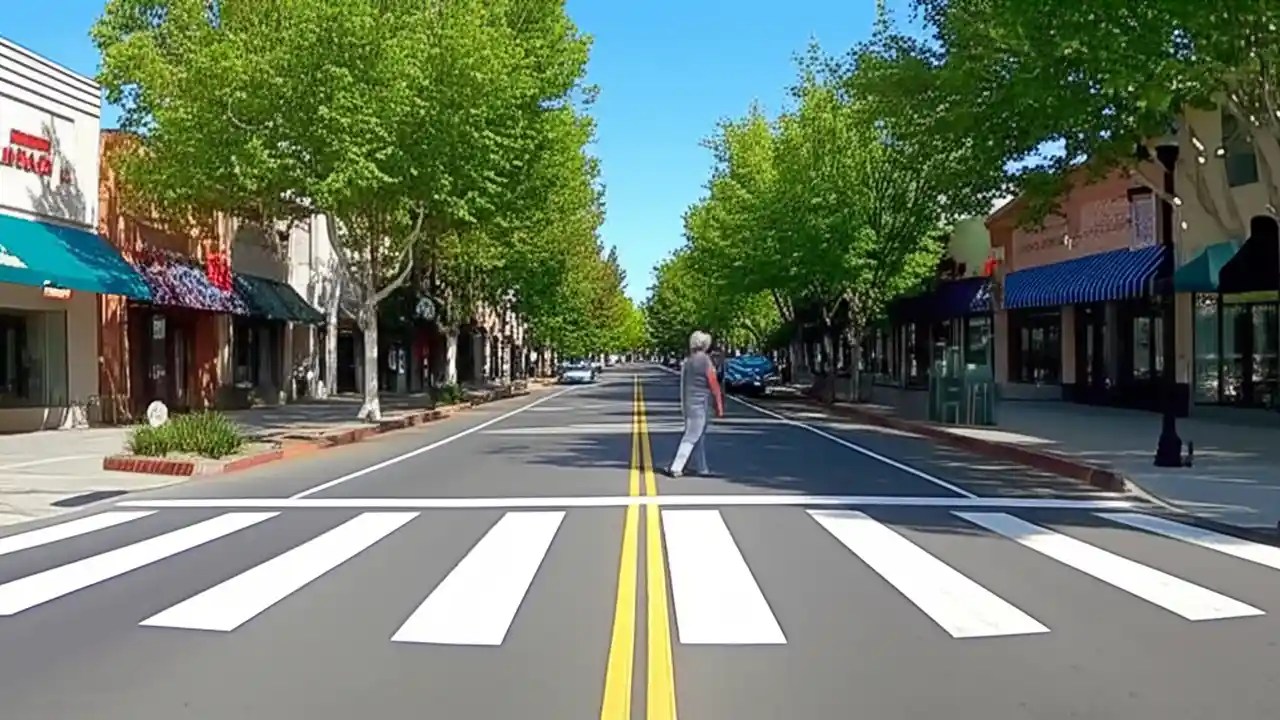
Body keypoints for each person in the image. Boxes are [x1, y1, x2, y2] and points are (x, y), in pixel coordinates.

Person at [664, 330, 724, 478]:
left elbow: (684, 385)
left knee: (699, 437)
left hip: (688, 404)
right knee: (692, 436)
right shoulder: (705, 360)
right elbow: (713, 384)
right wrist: (719, 405)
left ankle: (702, 467)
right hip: (700, 405)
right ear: (705, 344)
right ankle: (676, 467)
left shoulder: (688, 361)